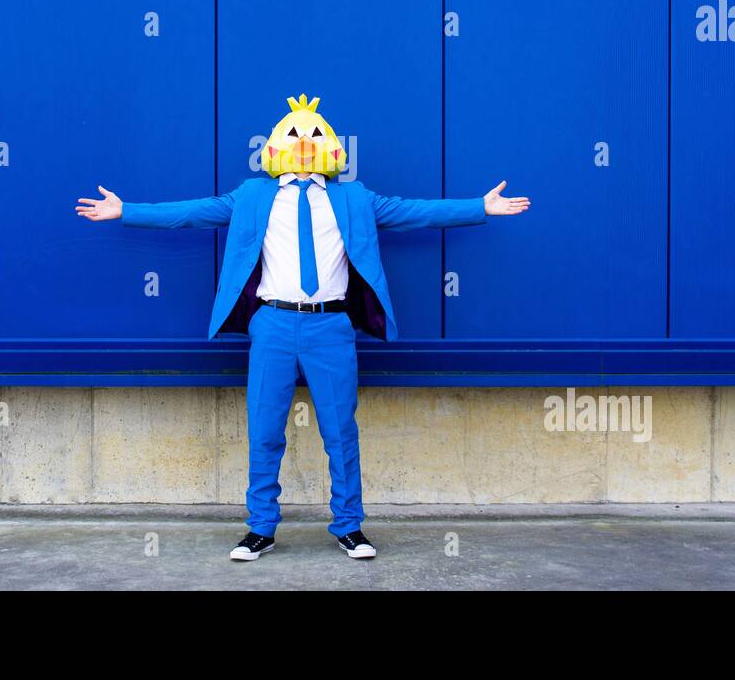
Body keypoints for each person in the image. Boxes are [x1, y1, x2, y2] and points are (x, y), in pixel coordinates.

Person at [76, 94, 530, 560]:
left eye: (315, 133)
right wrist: (126, 210)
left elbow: (417, 212)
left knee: (340, 431)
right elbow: (190, 212)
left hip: (331, 327)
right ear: (275, 144)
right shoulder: (252, 195)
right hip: (271, 324)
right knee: (265, 429)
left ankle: (350, 526)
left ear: (332, 145)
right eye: (295, 133)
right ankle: (260, 529)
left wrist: (481, 207)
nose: (305, 142)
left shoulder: (355, 197)